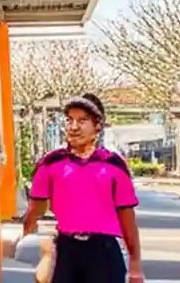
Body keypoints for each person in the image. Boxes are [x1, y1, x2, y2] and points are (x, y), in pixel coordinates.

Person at [21, 93, 144, 282]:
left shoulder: (113, 164)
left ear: (97, 127)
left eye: (82, 120)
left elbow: (127, 217)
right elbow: (35, 208)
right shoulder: (51, 162)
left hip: (104, 252)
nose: (74, 127)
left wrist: (135, 266)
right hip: (66, 251)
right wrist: (28, 233)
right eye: (70, 120)